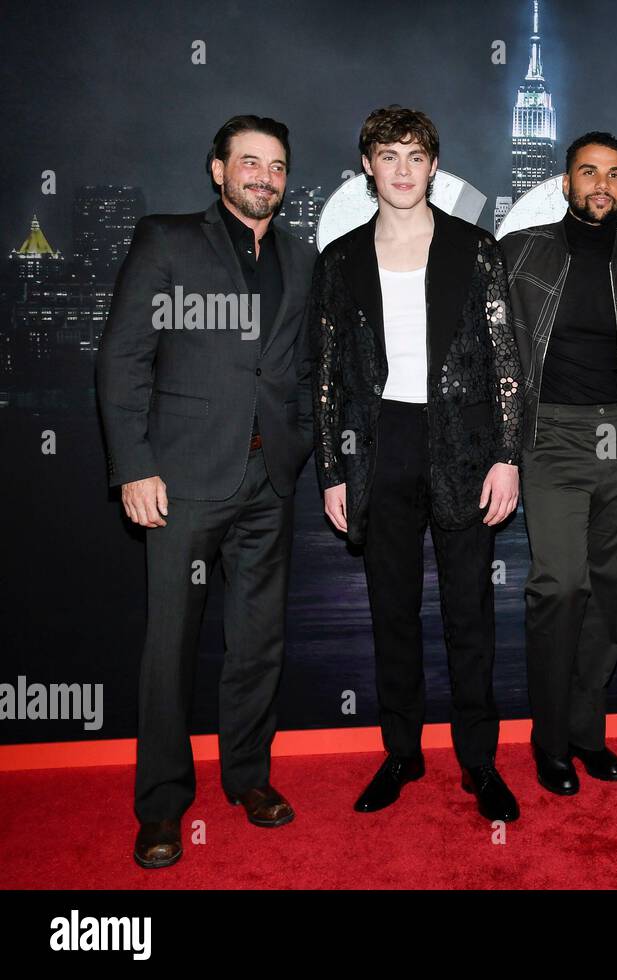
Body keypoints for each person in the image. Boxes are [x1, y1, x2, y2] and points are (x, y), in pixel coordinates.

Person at [96, 115, 316, 868]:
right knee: (170, 649)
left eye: (277, 166)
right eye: (249, 162)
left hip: (269, 480)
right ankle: (160, 805)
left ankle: (249, 779)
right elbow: (123, 358)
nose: (264, 176)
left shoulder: (301, 255)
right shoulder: (167, 238)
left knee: (258, 643)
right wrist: (134, 465)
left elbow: (300, 365)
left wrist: (303, 440)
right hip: (181, 478)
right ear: (217, 170)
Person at [310, 106, 523, 823]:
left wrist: (506, 456)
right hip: (380, 442)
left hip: (463, 440)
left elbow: (507, 363)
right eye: (387, 155)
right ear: (367, 165)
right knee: (391, 611)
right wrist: (333, 473)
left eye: (414, 155)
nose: (402, 168)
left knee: (471, 613)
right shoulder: (339, 259)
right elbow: (329, 376)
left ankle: (479, 761)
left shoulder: (477, 248)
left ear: (434, 166)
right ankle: (401, 753)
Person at [500, 132, 617, 795]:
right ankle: (549, 743)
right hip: (551, 436)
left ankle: (587, 732)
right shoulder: (521, 253)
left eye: (616, 174)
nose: (602, 183)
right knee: (559, 585)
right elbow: (497, 354)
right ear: (566, 181)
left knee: (611, 589)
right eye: (589, 172)